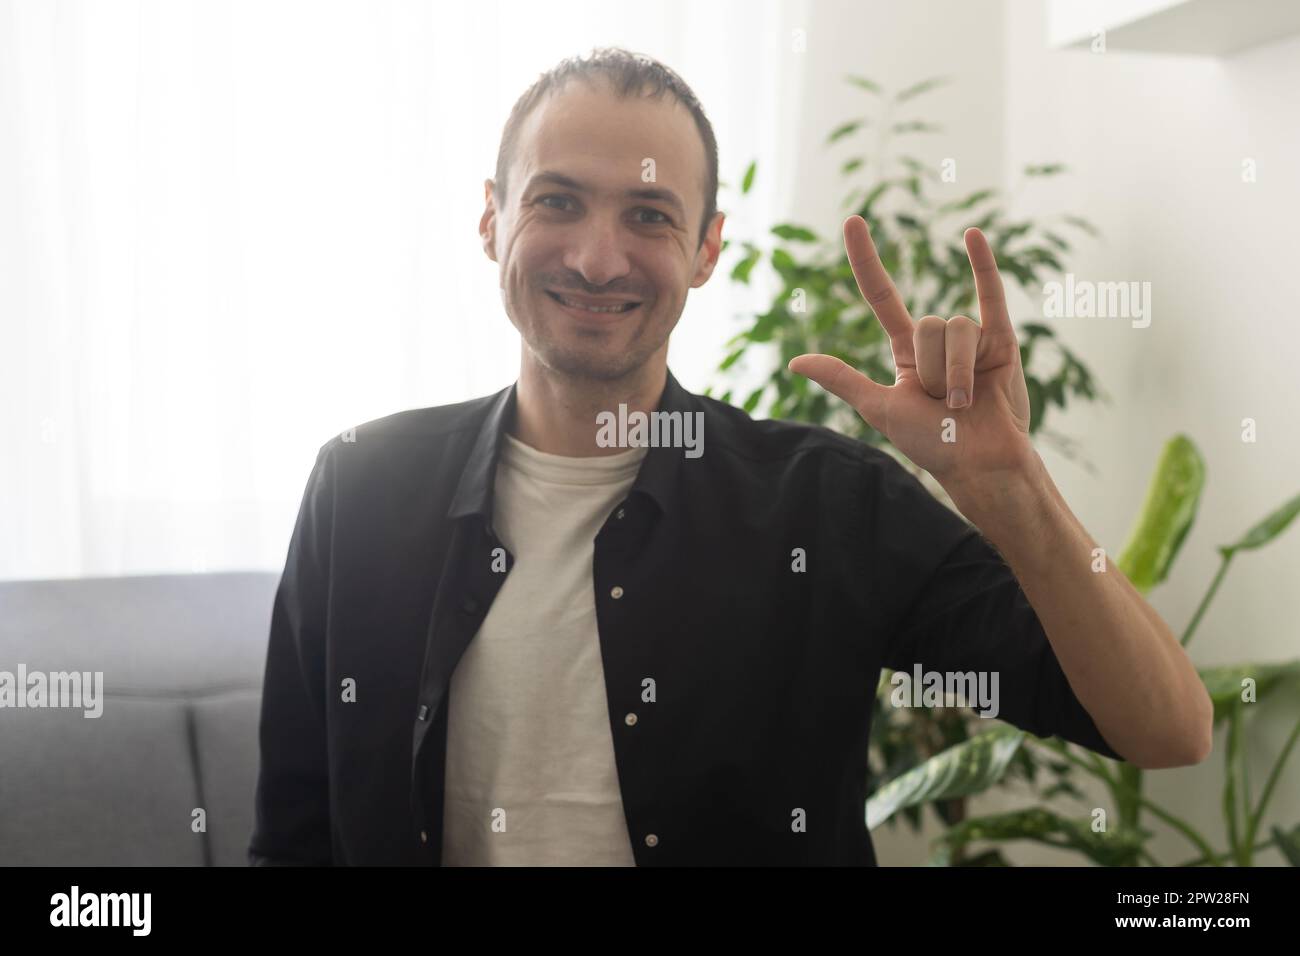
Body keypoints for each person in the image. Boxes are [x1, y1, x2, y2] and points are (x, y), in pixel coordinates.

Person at [248, 47, 1212, 867]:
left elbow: (1166, 731)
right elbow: (291, 837)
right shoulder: (360, 489)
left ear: (709, 248)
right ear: (492, 219)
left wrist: (1011, 489)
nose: (595, 257)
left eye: (650, 215)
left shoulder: (824, 506)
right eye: (558, 201)